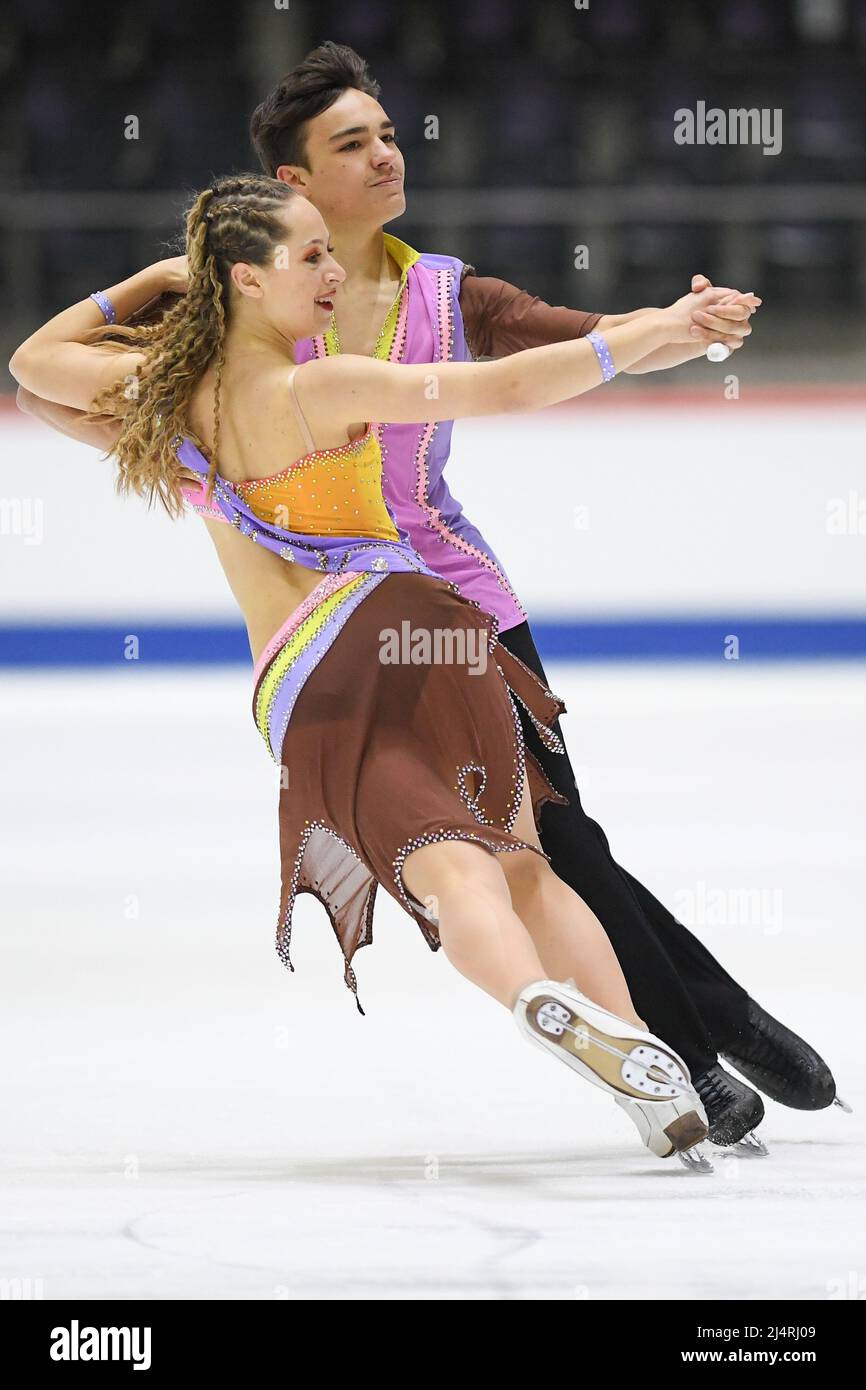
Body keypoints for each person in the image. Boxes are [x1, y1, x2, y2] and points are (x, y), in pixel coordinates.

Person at [9, 176, 763, 1167]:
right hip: (415, 627)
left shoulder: (166, 398)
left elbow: (31, 368)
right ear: (245, 277)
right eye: (310, 255)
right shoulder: (321, 383)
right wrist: (650, 333)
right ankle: (638, 1045)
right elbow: (505, 385)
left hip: (298, 680)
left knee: (444, 871)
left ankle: (534, 1000)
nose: (333, 270)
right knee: (522, 862)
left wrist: (152, 280)